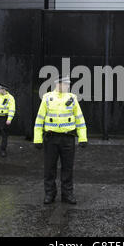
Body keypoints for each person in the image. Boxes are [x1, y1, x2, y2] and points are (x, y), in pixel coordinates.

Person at [33, 76, 87, 205]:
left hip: (68, 138)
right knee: (49, 168)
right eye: (65, 84)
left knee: (67, 168)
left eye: (68, 84)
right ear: (58, 84)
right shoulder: (47, 98)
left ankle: (67, 194)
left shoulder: (72, 98)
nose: (67, 86)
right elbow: (40, 118)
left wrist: (83, 137)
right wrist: (37, 138)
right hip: (51, 138)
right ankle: (49, 194)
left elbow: (79, 118)